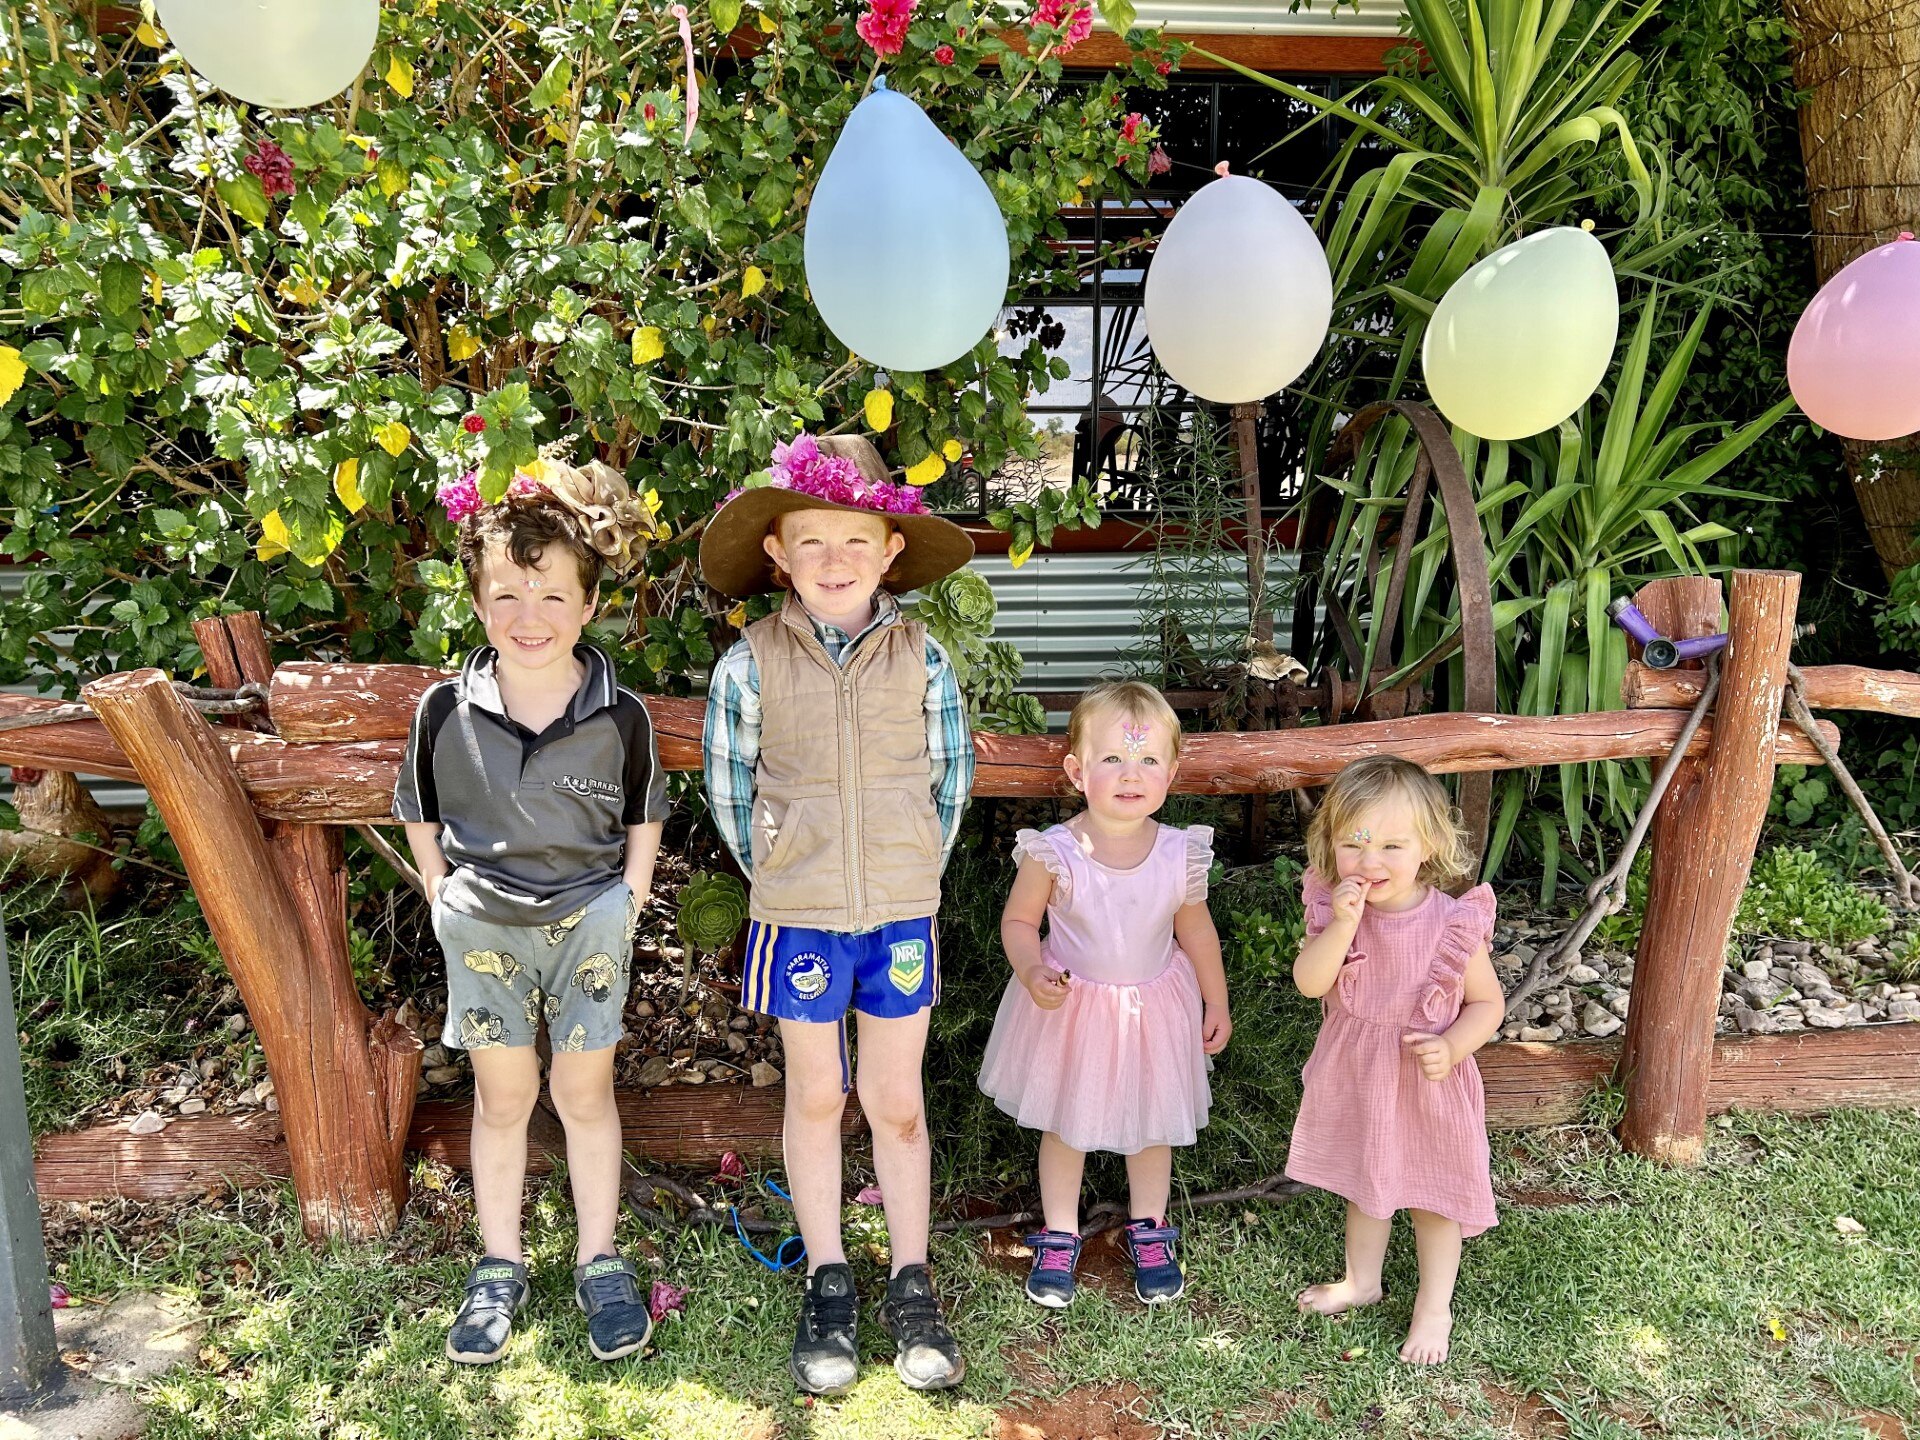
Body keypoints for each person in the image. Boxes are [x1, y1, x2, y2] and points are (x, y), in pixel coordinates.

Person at [699, 431, 977, 1395]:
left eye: (855, 541)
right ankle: (828, 1278)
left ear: (890, 550)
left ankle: (910, 1279)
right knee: (816, 1097)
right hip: (798, 918)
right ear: (776, 549)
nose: (834, 560)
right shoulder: (751, 664)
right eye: (810, 541)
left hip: (901, 916)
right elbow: (733, 795)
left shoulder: (925, 658)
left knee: (896, 1104)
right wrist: (785, 870)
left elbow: (949, 784)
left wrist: (906, 874)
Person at [396, 458, 666, 1365]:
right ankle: (500, 1263)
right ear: (476, 603)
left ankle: (599, 1260)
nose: (529, 615)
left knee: (582, 1093)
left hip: (590, 919)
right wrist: (439, 892)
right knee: (504, 1094)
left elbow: (644, 813)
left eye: (551, 593)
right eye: (506, 593)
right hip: (484, 926)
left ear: (587, 603)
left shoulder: (617, 712)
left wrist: (628, 900)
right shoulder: (445, 709)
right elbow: (417, 810)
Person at [979, 680, 1231, 1309]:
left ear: (1171, 773)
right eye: (1113, 758)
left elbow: (1196, 931)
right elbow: (1018, 922)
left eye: (1147, 760)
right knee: (1066, 1123)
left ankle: (1149, 1228)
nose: (1130, 774)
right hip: (1074, 1010)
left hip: (1154, 1009)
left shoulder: (1179, 853)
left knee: (1153, 1126)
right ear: (1077, 769)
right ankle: (1060, 1231)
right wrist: (1032, 971)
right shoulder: (1056, 852)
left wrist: (1216, 1000)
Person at [1286, 755, 1503, 1365]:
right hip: (1361, 1077)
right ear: (1331, 844)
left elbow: (1488, 1003)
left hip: (1427, 1080)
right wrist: (1341, 929)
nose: (1370, 861)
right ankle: (1363, 1281)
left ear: (1428, 846)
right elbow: (1310, 983)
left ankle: (1435, 1307)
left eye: (1391, 844)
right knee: (1367, 1182)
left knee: (1435, 1199)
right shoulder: (1336, 911)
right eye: (1354, 844)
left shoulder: (1452, 924)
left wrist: (1454, 1044)